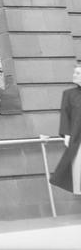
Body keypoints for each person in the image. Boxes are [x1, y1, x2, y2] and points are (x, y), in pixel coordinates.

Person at [50, 61, 81, 196]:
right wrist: (66, 134)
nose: (74, 75)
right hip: (77, 137)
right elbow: (65, 114)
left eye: (78, 73)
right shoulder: (68, 94)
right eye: (74, 72)